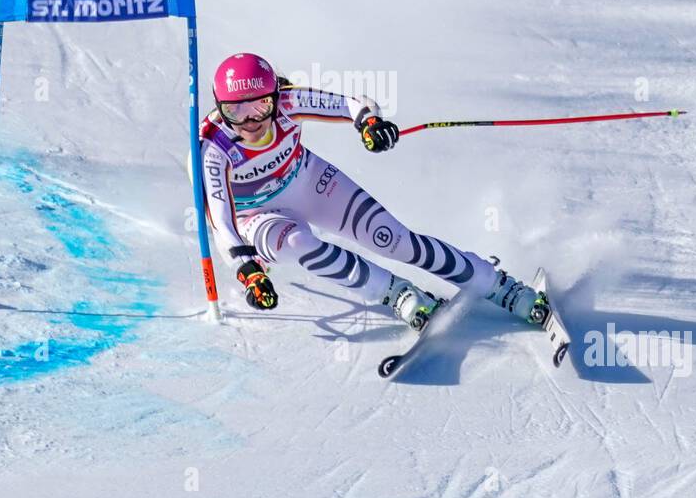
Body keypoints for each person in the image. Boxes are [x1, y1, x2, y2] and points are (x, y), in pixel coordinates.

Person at [199, 53, 550, 331]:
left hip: (307, 182)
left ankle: (499, 285)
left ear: (275, 97)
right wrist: (247, 269)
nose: (250, 121)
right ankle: (395, 293)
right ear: (220, 106)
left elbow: (353, 103)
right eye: (235, 110)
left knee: (393, 239)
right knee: (298, 244)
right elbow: (221, 221)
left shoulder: (290, 103)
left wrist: (369, 122)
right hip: (256, 217)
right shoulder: (212, 148)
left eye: (260, 106)